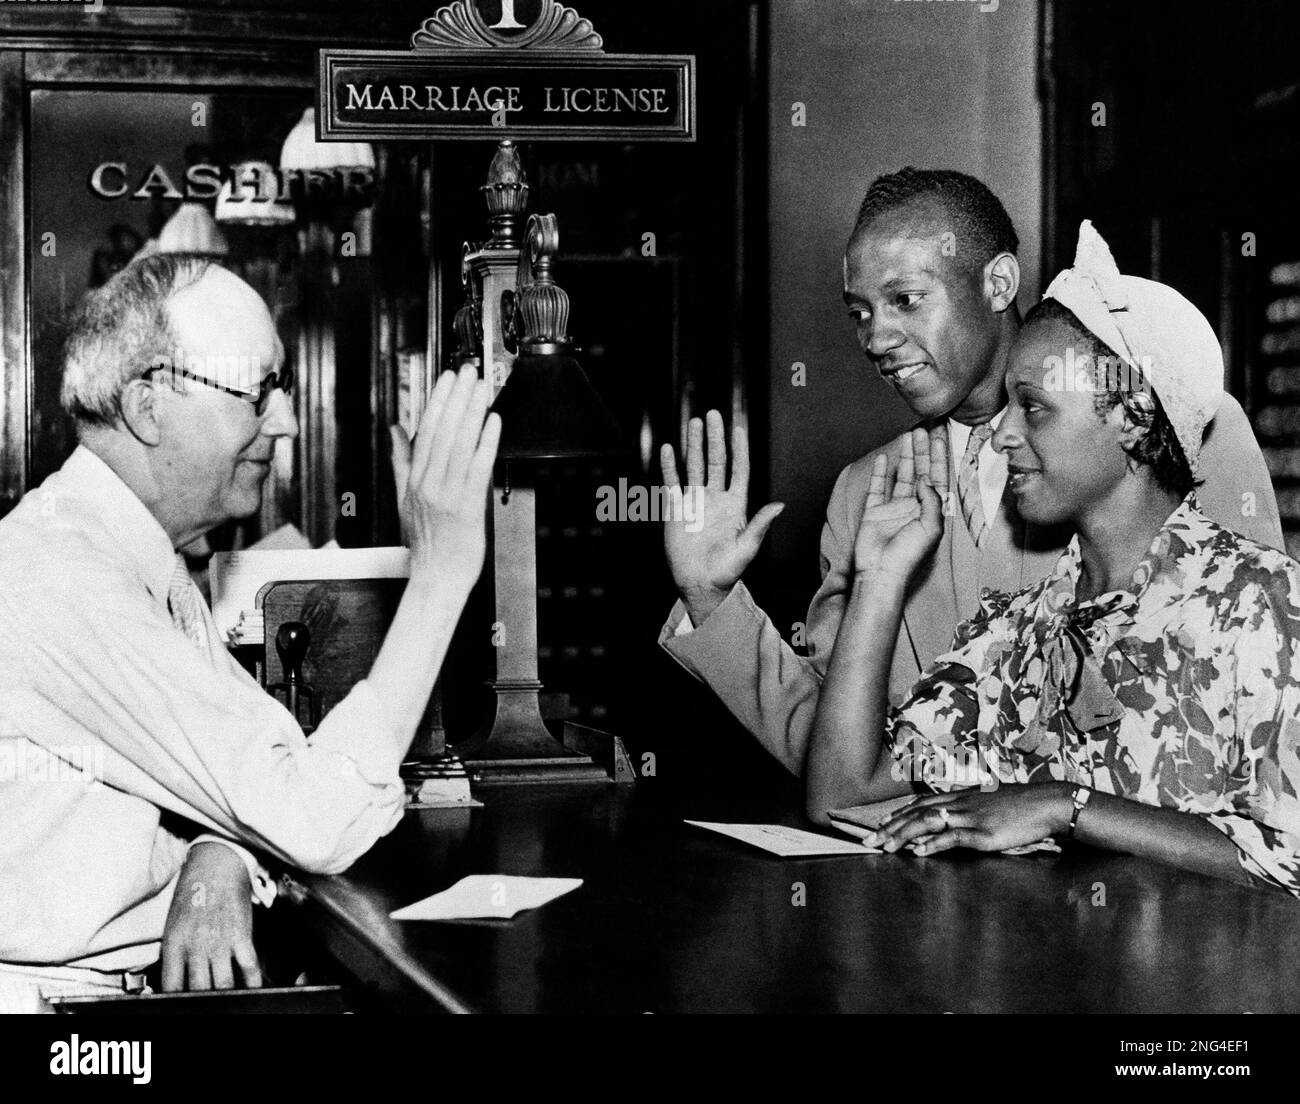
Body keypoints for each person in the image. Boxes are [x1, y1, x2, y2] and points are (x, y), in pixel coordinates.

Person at [658, 168, 1283, 776]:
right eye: (860, 312)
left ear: (999, 283)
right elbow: (834, 751)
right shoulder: (862, 494)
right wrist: (712, 600)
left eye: (905, 300)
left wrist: (1070, 811)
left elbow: (1257, 702)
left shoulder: (1181, 425)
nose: (876, 338)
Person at [0, 254, 499, 1008]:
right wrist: (440, 574)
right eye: (258, 391)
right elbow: (309, 815)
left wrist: (218, 845)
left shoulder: (136, 556)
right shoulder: (61, 574)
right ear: (147, 406)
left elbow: (250, 775)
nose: (289, 421)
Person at [803, 222, 1300, 897]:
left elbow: (1287, 855)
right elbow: (844, 792)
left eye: (1031, 408)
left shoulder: (1264, 604)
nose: (1002, 433)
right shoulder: (1020, 631)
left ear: (1129, 415)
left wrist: (1070, 805)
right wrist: (881, 581)